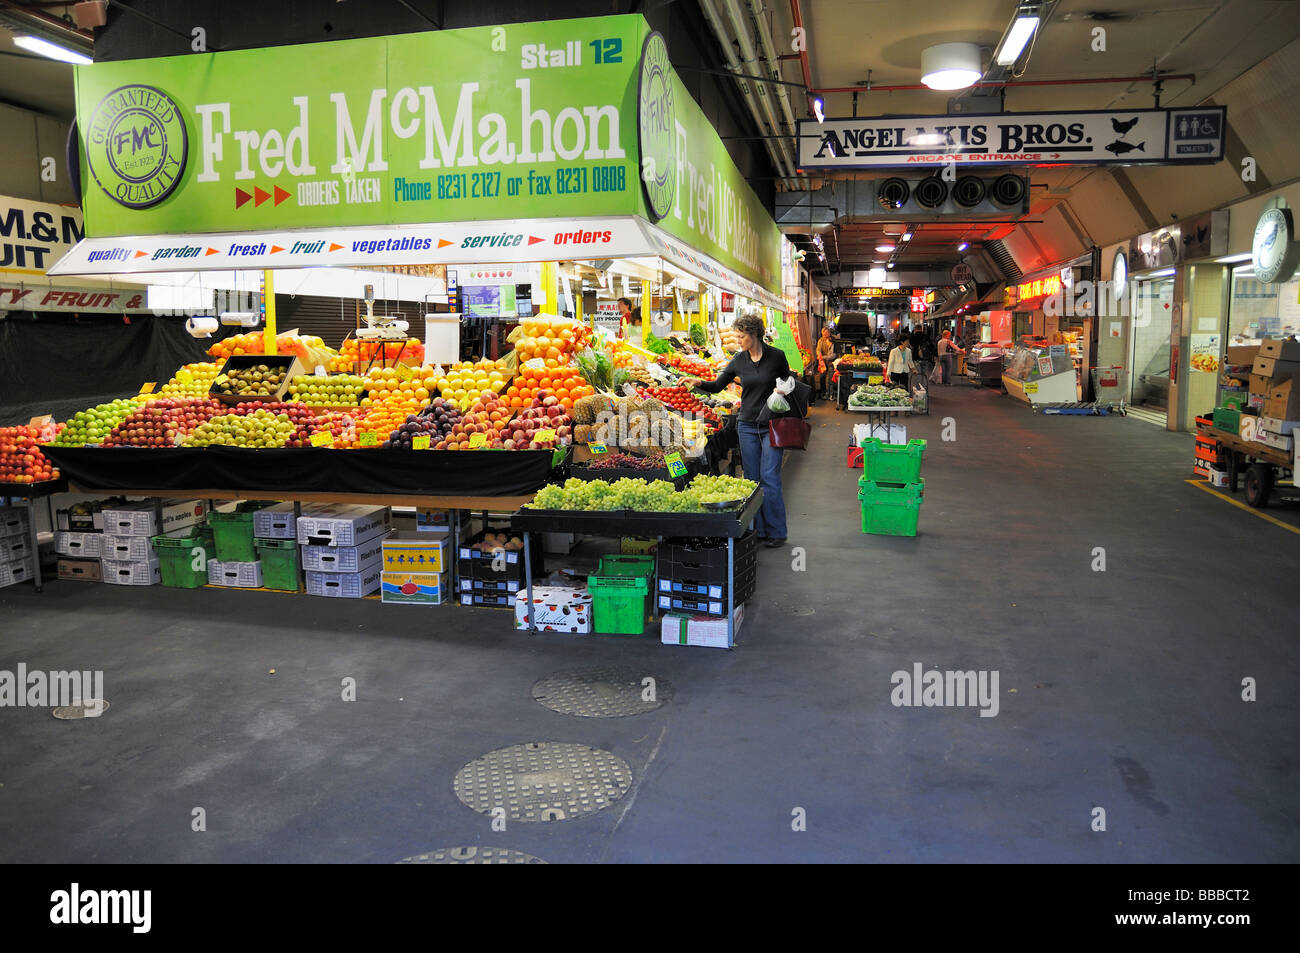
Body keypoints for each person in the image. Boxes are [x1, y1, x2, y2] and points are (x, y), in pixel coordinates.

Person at [679, 313, 790, 548]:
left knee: (770, 477)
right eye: (737, 336)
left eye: (742, 336)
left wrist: (782, 391)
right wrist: (698, 382)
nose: (738, 340)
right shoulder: (739, 359)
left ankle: (777, 532)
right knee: (751, 479)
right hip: (747, 425)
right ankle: (756, 530)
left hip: (772, 424)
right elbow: (719, 385)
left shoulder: (777, 357)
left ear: (755, 334)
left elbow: (789, 382)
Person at [815, 326, 836, 398]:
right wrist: (819, 354)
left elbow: (832, 355)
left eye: (826, 333)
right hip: (823, 362)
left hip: (831, 362)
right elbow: (818, 350)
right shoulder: (821, 340)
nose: (825, 335)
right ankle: (823, 392)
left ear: (829, 333)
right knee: (822, 377)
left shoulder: (833, 341)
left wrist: (822, 357)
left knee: (830, 378)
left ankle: (830, 394)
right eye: (823, 334)